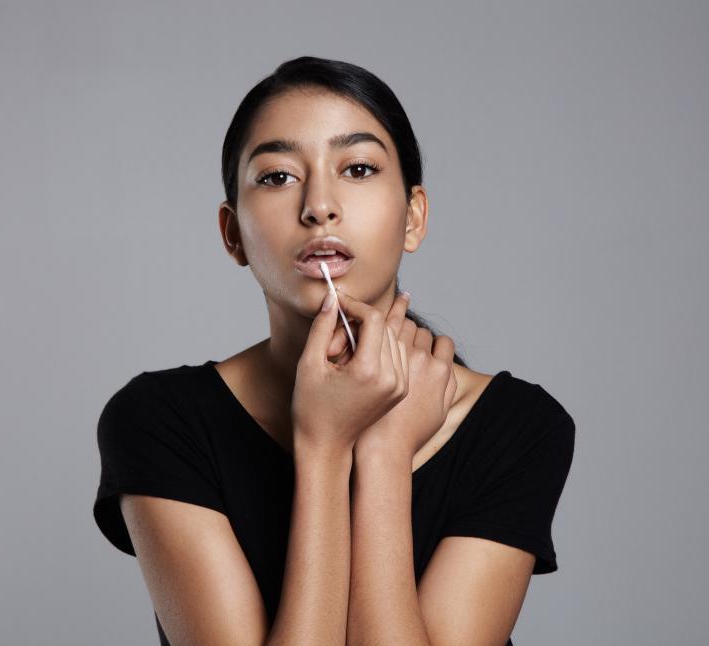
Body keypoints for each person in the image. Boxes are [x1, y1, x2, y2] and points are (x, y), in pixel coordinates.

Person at [93, 55, 576, 646]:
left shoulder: (518, 427)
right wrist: (324, 447)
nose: (319, 205)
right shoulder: (160, 420)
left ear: (413, 217)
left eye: (358, 167)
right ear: (232, 233)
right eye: (277, 177)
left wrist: (385, 451)